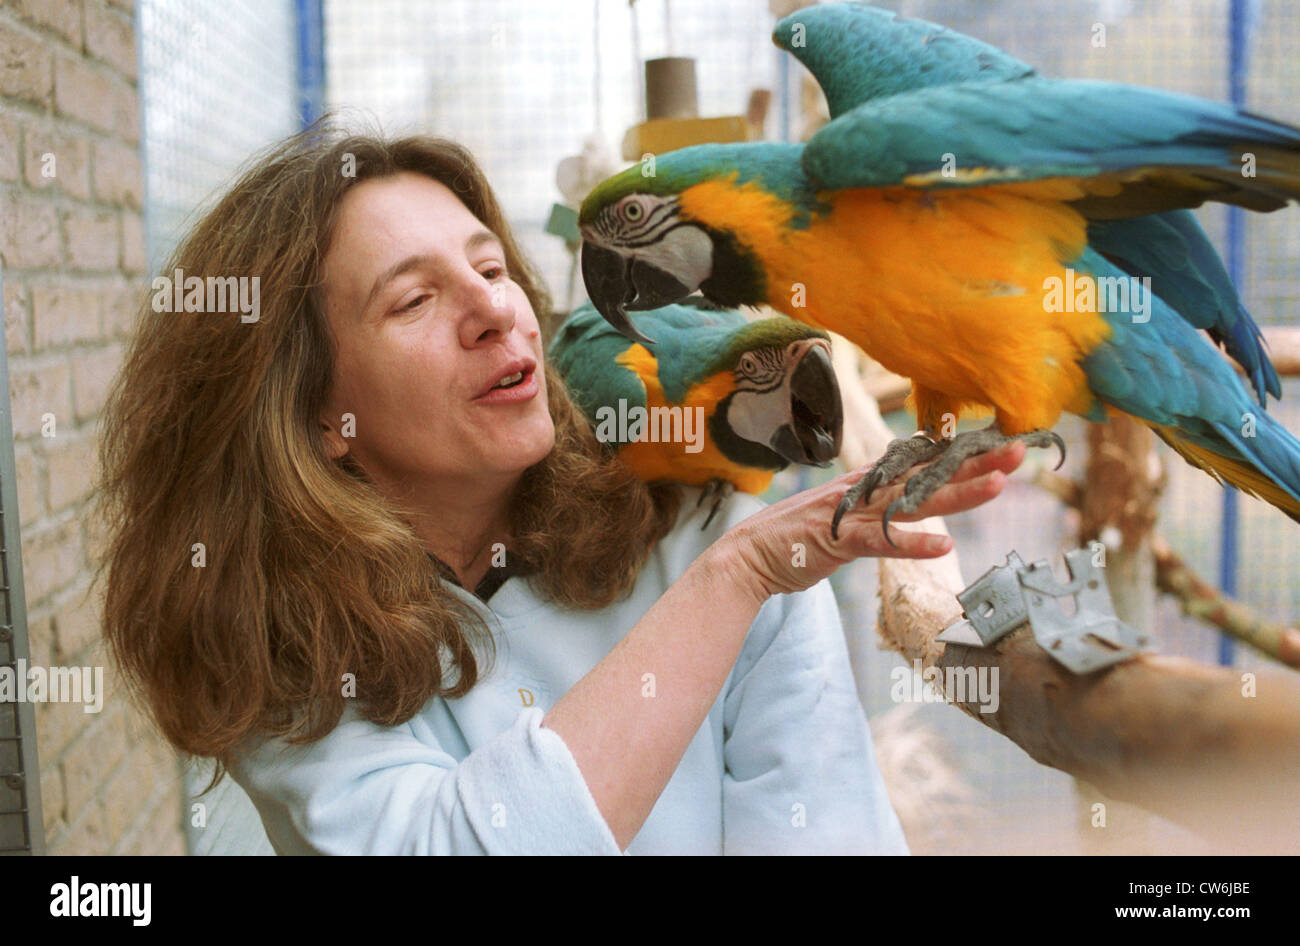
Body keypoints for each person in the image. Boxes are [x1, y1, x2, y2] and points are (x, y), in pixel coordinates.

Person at [94, 124, 1026, 855]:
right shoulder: (275, 636)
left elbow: (828, 835)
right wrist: (729, 583)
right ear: (313, 417)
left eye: (492, 267)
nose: (498, 309)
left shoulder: (703, 522)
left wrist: (736, 569)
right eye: (414, 300)